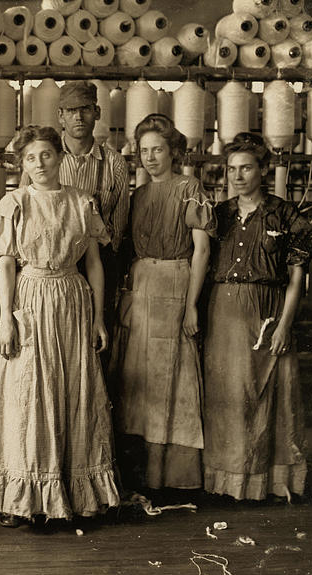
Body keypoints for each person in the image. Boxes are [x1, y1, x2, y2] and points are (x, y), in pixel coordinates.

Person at [0, 126, 119, 527]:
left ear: (60, 157)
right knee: (27, 393)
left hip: (71, 301)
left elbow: (95, 264)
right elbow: (7, 265)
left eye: (46, 154)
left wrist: (98, 317)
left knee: (72, 391)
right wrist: (7, 319)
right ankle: (20, 496)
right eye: (31, 158)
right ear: (22, 165)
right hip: (29, 301)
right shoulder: (12, 204)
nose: (39, 163)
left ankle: (69, 491)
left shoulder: (82, 202)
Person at [110, 113, 216, 498]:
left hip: (175, 284)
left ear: (174, 151)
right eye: (144, 151)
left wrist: (191, 307)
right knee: (137, 383)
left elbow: (202, 251)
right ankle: (139, 477)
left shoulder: (190, 189)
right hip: (140, 289)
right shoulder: (138, 195)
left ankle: (166, 477)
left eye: (158, 149)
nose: (151, 157)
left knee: (170, 378)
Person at [203, 132, 311, 501]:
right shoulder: (219, 215)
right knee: (229, 395)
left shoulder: (286, 214)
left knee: (266, 395)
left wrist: (284, 325)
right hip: (224, 311)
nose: (237, 175)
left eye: (246, 167)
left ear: (263, 170)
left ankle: (267, 482)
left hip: (268, 311)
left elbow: (297, 277)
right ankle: (229, 483)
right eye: (232, 169)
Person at [57, 81, 130, 347]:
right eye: (71, 110)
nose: (78, 116)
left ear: (97, 113)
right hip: (56, 266)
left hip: (98, 265)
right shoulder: (45, 160)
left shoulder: (115, 164)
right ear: (60, 116)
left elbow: (118, 229)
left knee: (96, 340)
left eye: (85, 109)